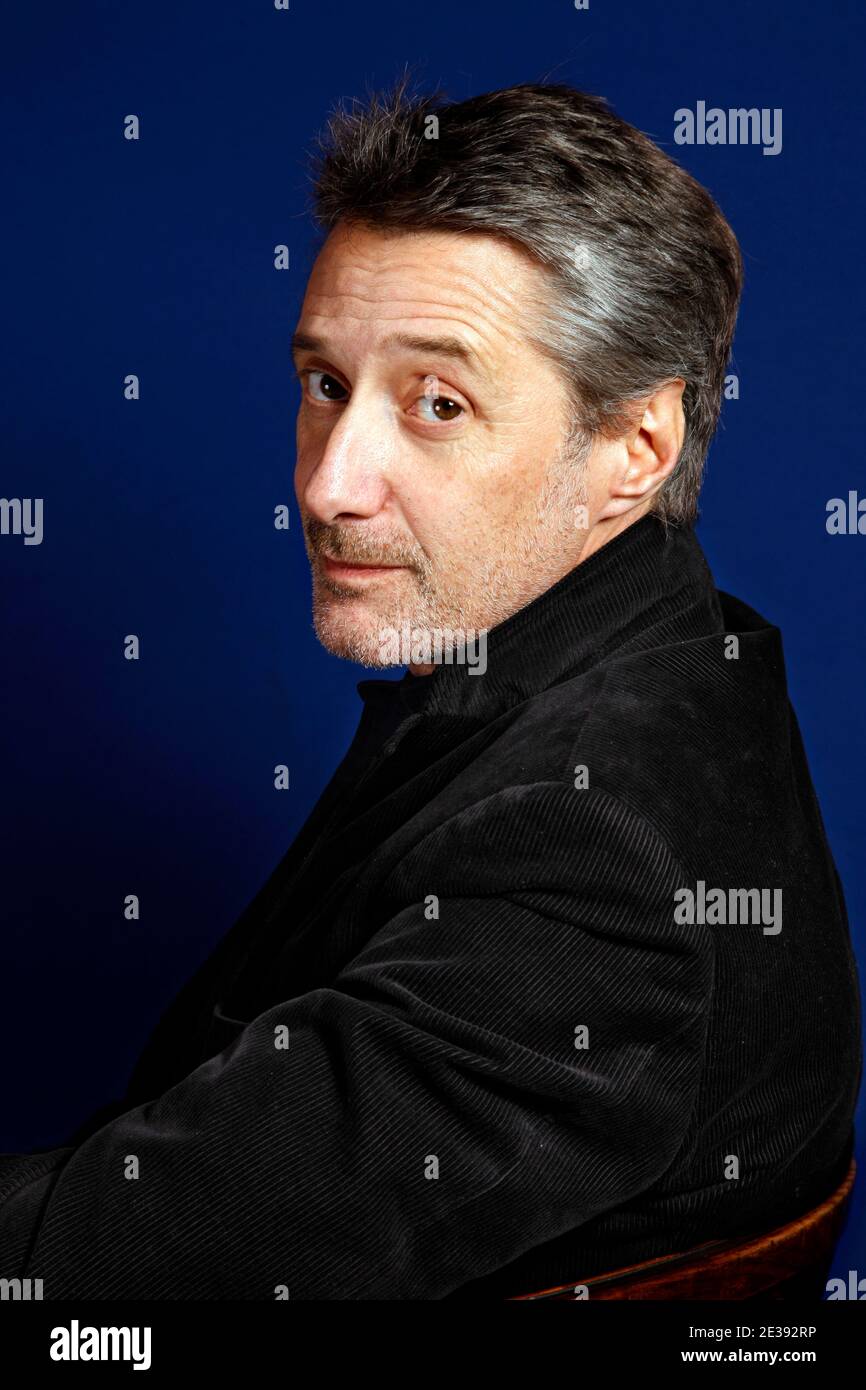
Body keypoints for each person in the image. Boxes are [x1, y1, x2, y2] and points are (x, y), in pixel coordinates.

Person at [0, 78, 860, 1300]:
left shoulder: (594, 856)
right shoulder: (656, 648)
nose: (329, 486)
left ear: (634, 450)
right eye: (325, 385)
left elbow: (106, 1274)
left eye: (437, 403)